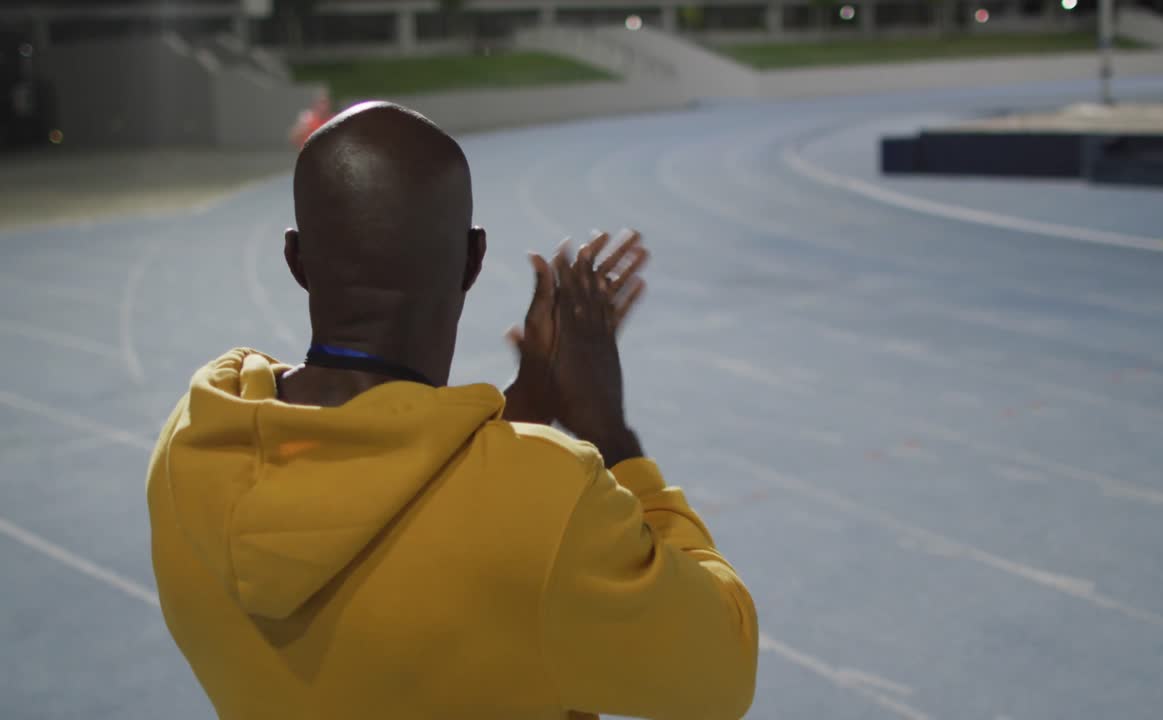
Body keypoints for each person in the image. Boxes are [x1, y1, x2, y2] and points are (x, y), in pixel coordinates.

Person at [146, 101, 758, 720]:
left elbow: (396, 489)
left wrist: (526, 406)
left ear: (297, 260)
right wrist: (612, 434)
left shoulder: (193, 442)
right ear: (472, 260)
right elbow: (722, 674)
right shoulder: (548, 505)